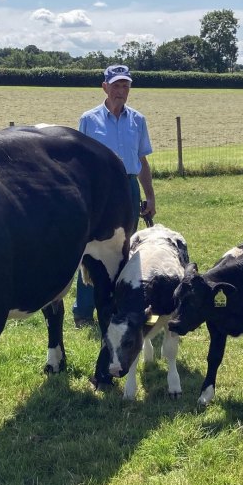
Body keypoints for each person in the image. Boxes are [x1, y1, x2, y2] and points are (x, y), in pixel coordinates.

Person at [72, 64, 156, 327]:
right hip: (98, 190)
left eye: (125, 86)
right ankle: (83, 312)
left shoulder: (138, 120)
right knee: (90, 248)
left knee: (124, 248)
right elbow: (79, 162)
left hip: (128, 187)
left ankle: (118, 303)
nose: (121, 91)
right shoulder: (89, 119)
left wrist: (149, 196)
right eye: (116, 85)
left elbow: (141, 160)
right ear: (104, 87)